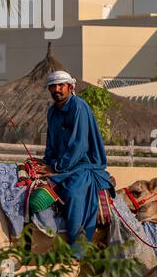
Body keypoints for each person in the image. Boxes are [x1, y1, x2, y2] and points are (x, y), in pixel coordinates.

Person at [41, 69, 114, 252]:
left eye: (61, 85)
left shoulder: (78, 107)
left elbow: (79, 145)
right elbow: (50, 142)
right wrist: (45, 162)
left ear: (70, 87)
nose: (57, 89)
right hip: (59, 165)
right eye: (53, 86)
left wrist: (56, 168)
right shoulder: (52, 112)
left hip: (82, 165)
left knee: (74, 194)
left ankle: (78, 248)